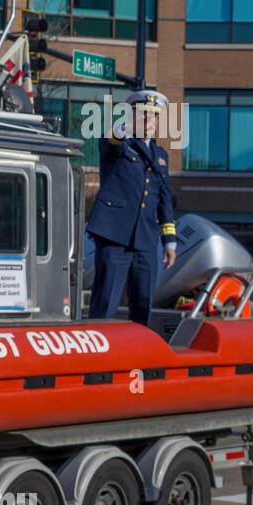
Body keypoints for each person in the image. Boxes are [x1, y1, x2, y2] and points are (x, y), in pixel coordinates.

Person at [86, 89, 178, 329]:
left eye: (154, 116)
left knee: (143, 303)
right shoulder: (118, 142)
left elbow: (163, 199)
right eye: (143, 115)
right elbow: (109, 143)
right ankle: (97, 355)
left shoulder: (161, 156)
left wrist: (169, 242)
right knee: (105, 302)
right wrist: (125, 126)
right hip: (114, 235)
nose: (149, 121)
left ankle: (138, 357)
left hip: (146, 240)